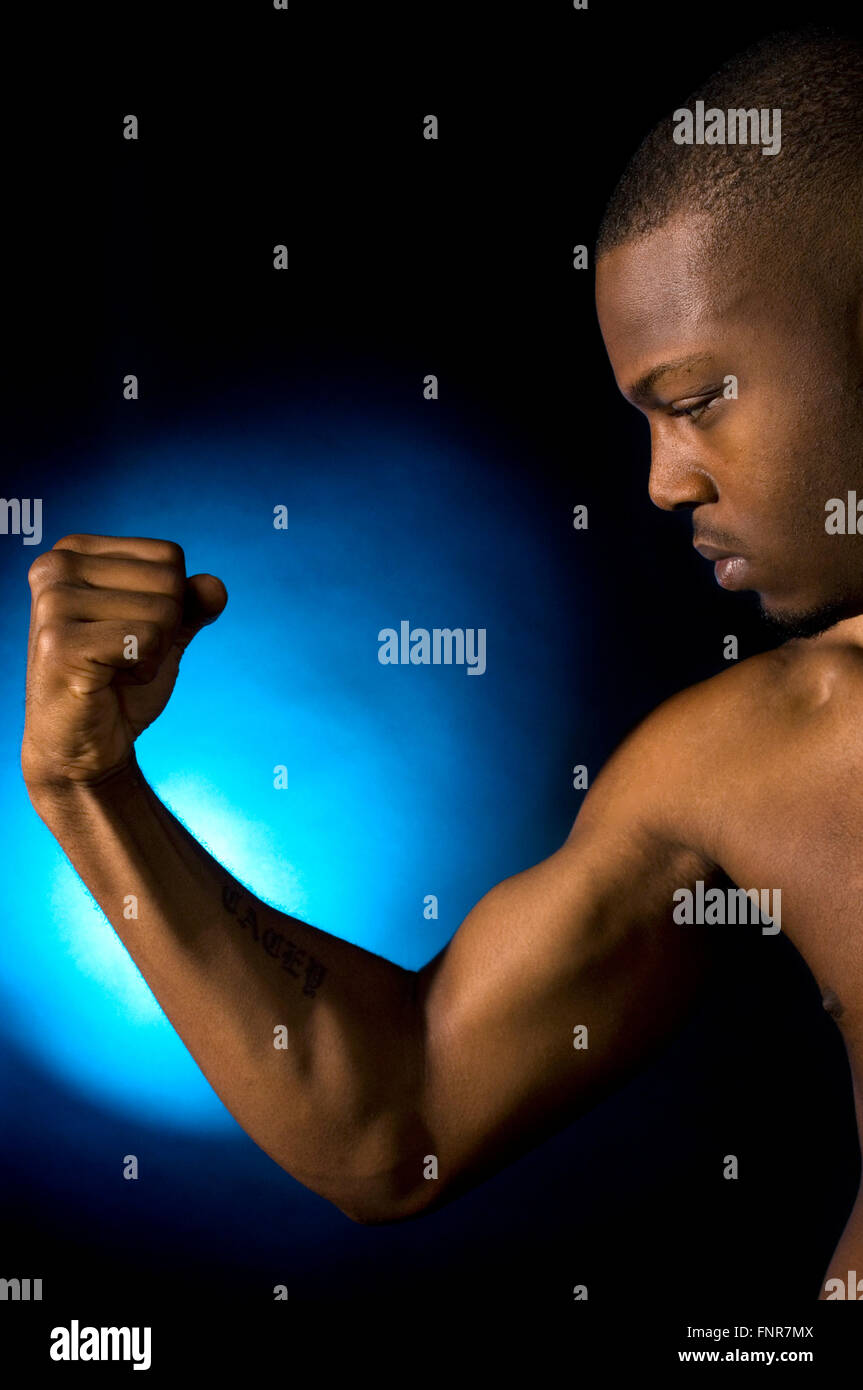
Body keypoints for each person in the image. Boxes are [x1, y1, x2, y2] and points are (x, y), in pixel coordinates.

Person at [21, 28, 863, 1299]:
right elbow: (394, 1124)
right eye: (642, 421)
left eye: (693, 403)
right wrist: (91, 787)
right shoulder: (761, 753)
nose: (660, 480)